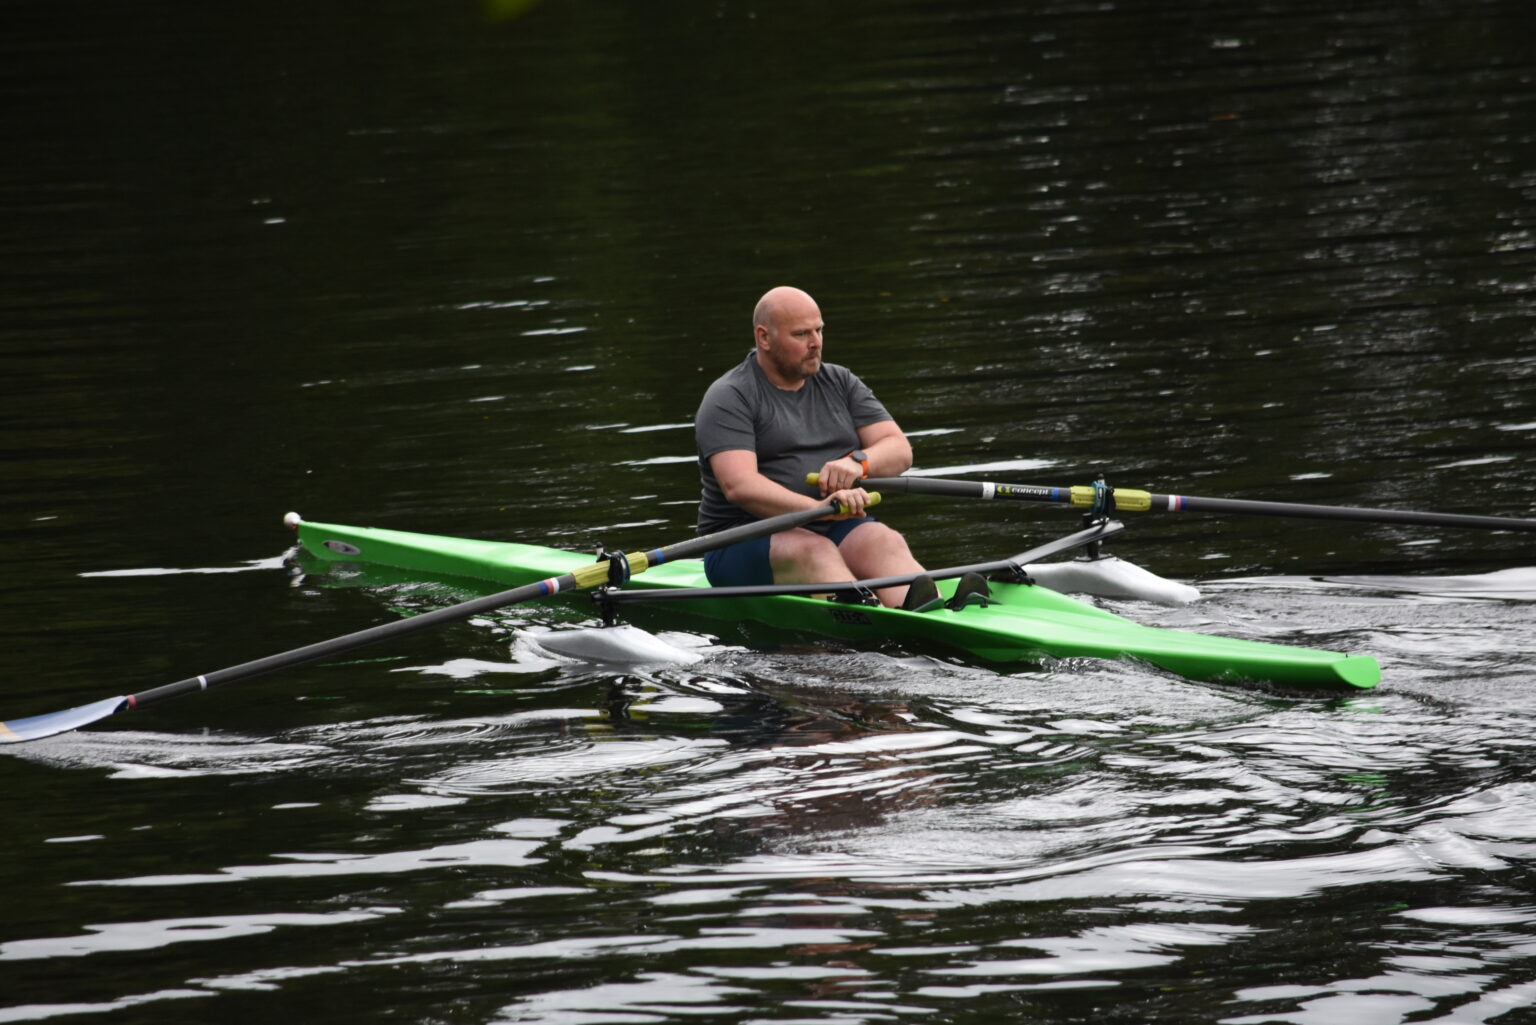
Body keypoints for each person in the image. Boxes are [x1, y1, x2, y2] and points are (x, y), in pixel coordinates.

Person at [694, 286, 935, 610]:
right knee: (814, 551)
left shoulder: (840, 382)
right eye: (801, 334)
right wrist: (818, 507)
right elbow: (740, 486)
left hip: (831, 524)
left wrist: (857, 463)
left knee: (885, 540)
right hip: (741, 539)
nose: (816, 342)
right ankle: (865, 628)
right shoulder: (730, 396)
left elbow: (899, 449)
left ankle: (927, 615)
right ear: (764, 338)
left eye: (819, 330)